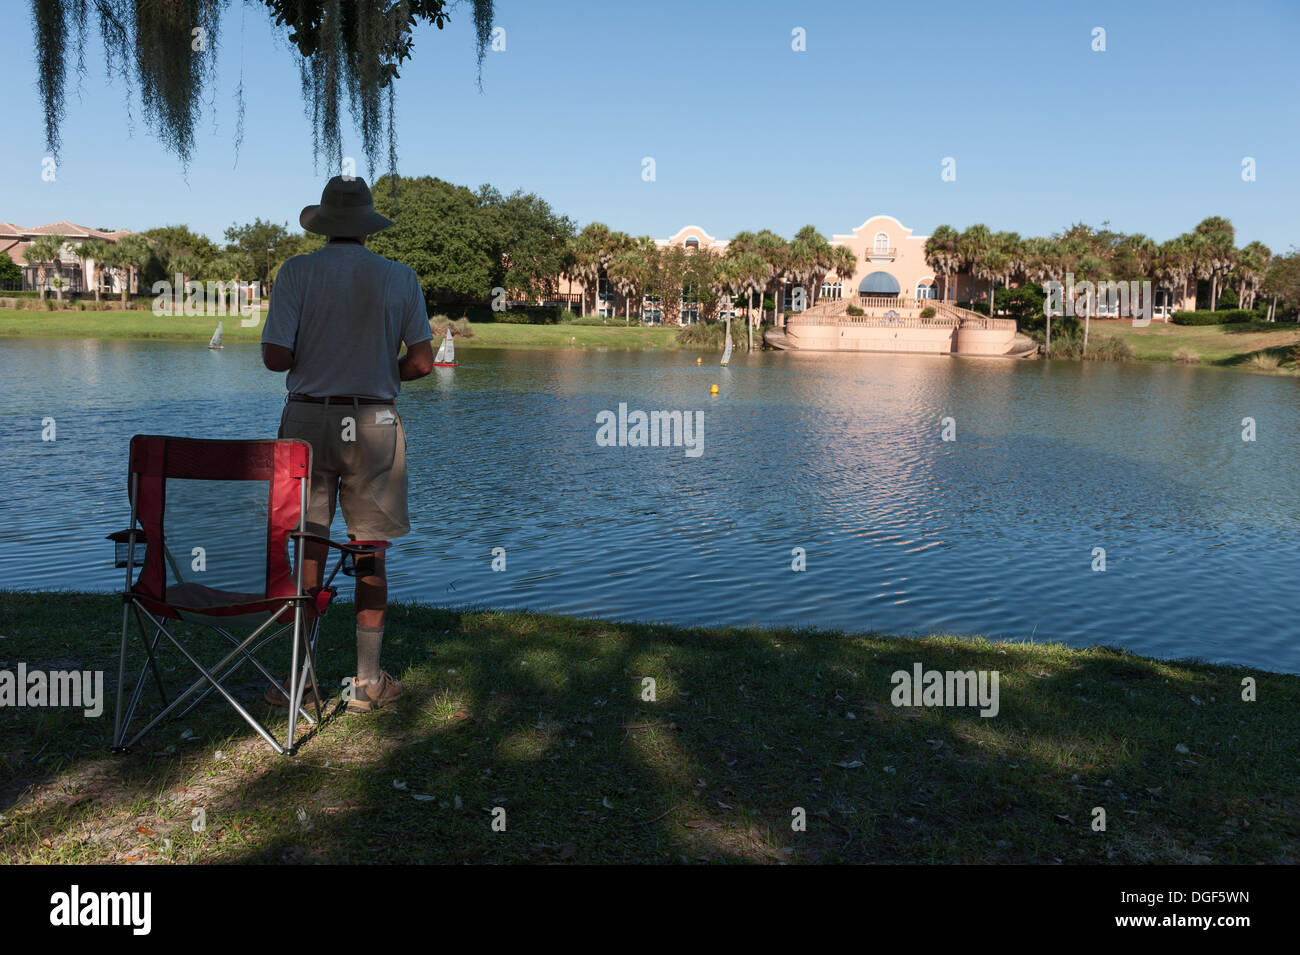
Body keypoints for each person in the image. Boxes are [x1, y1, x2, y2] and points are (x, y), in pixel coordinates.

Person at [260, 175, 433, 712]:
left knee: (309, 545)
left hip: (309, 421)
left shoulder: (295, 271)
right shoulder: (398, 277)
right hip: (375, 422)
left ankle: (301, 683)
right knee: (368, 549)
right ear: (365, 226)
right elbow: (424, 362)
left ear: (326, 224)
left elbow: (275, 357)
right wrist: (380, 370)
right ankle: (366, 682)